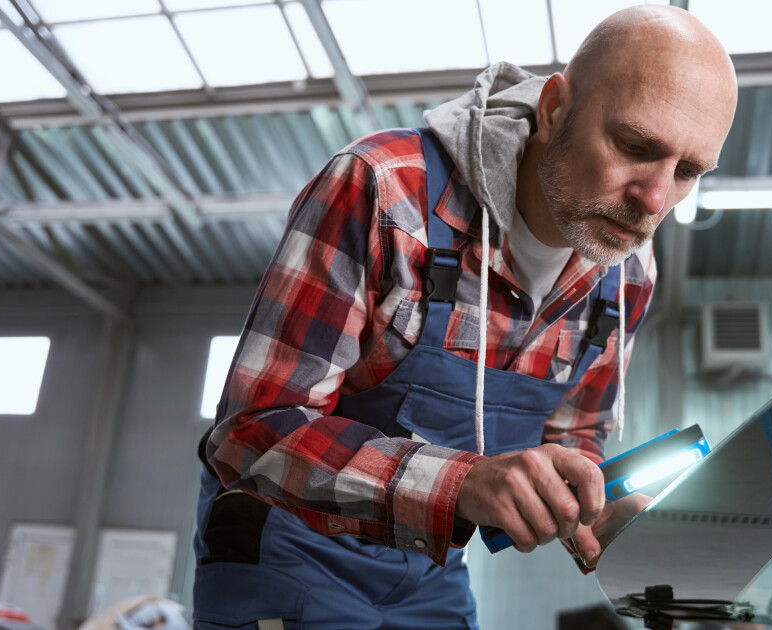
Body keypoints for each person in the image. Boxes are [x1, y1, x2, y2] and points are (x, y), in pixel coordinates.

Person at [193, 5, 738, 629]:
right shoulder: (384, 190)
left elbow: (571, 437)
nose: (654, 199)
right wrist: (463, 484)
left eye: (688, 171)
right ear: (555, 109)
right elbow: (254, 430)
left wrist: (595, 505)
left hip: (430, 570)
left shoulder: (627, 272)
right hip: (284, 554)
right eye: (634, 146)